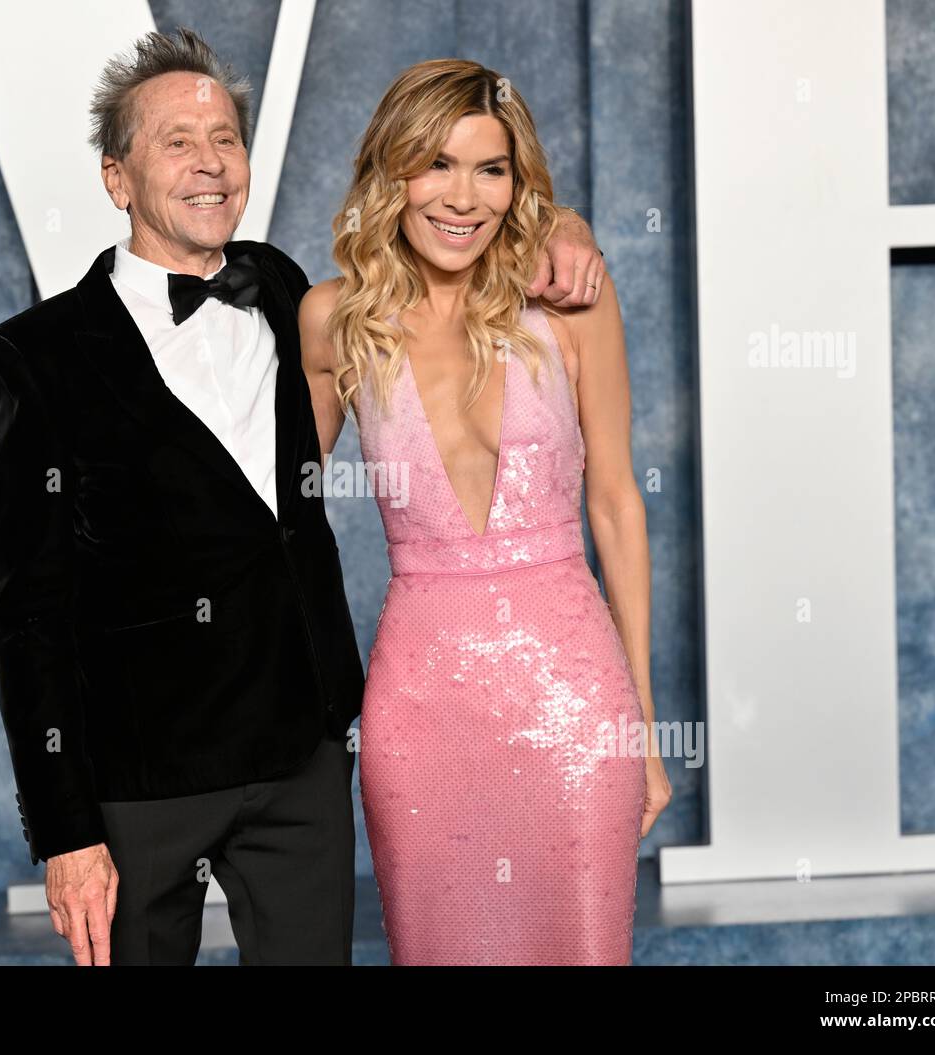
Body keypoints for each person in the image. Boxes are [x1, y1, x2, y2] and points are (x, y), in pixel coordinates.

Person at [0, 28, 606, 966]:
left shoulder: (285, 291)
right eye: (176, 142)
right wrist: (66, 832)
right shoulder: (39, 355)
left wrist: (563, 224)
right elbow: (28, 613)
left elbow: (443, 231)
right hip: (144, 782)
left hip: (303, 766)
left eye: (224, 137)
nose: (209, 162)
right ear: (117, 179)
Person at [299, 58, 671, 965]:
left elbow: (617, 504)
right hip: (420, 716)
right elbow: (275, 519)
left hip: (573, 702)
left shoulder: (570, 299)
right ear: (393, 173)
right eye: (436, 165)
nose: (463, 197)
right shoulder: (334, 319)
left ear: (518, 184)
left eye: (490, 169)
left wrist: (642, 728)